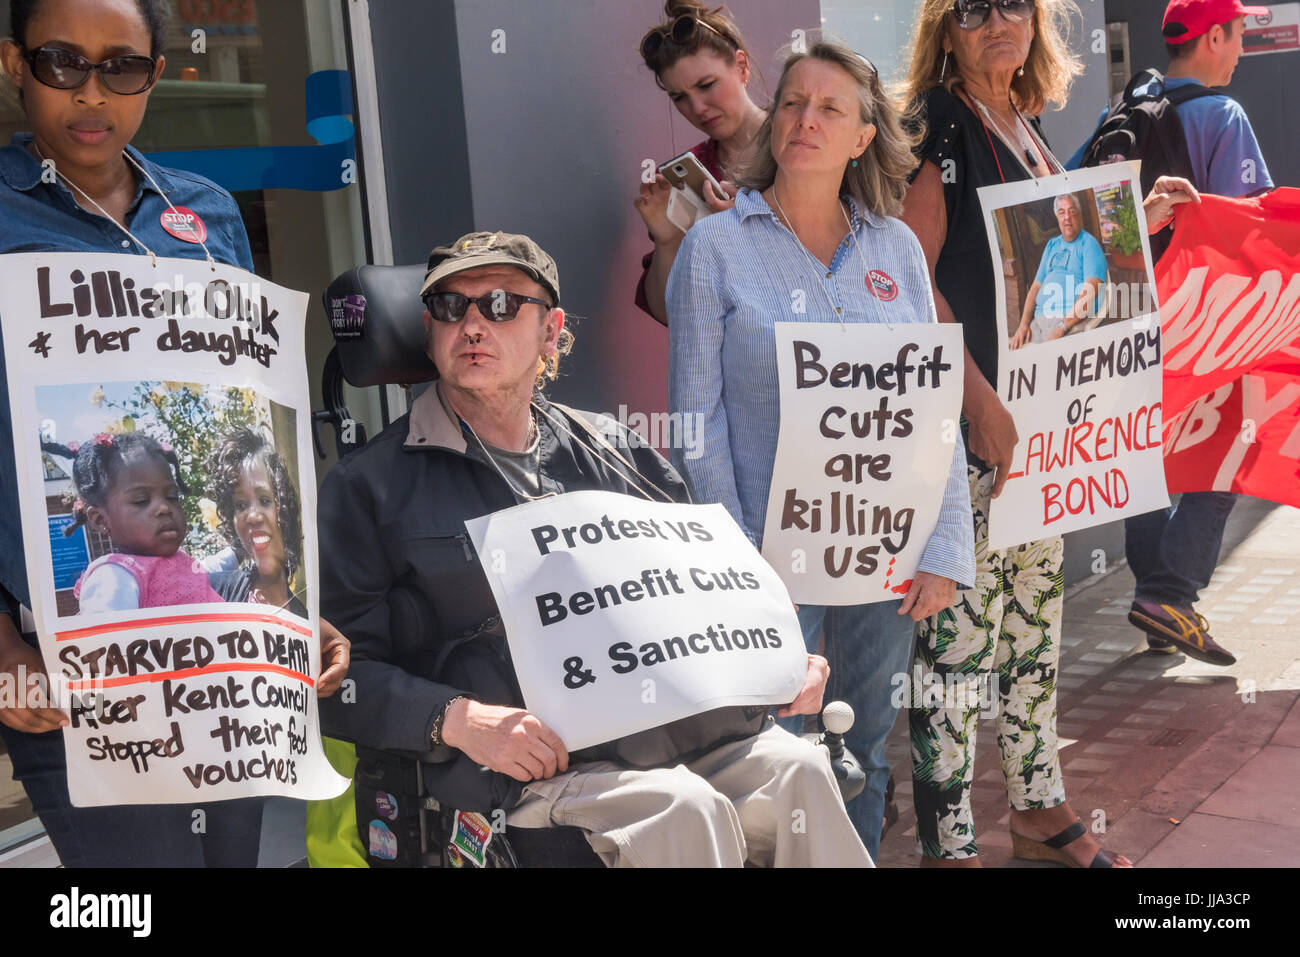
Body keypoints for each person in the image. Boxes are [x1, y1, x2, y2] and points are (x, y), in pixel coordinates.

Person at [316, 230, 870, 867]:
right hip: (523, 770)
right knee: (681, 807)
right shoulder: (369, 487)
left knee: (797, 769)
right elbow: (339, 677)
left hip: (669, 734)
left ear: (550, 332)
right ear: (429, 328)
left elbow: (707, 593)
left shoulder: (616, 450)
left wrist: (776, 657)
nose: (472, 323)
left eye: (499, 305)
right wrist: (459, 719)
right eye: (450, 307)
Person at [0, 0, 346, 866]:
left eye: (121, 66)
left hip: (224, 664)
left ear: (156, 74)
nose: (92, 91)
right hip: (65, 674)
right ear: (14, 65)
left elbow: (246, 411)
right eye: (60, 62)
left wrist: (297, 605)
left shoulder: (206, 215)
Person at [667, 37, 976, 861]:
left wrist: (945, 545)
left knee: (865, 745)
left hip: (886, 556)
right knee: (767, 753)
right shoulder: (715, 249)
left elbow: (930, 409)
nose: (805, 119)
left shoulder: (897, 252)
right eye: (794, 102)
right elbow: (696, 422)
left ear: (863, 135)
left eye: (830, 108)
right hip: (763, 561)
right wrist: (734, 564)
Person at [898, 0, 1138, 868]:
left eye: (1012, 4)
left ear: (1036, 21)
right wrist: (980, 403)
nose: (995, 20)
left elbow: (1053, 265)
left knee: (1034, 633)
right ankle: (949, 843)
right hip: (969, 440)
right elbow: (908, 277)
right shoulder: (938, 122)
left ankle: (1039, 807)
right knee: (958, 650)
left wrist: (1144, 228)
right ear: (945, 29)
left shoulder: (1024, 122)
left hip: (1042, 438)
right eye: (970, 8)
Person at [1072, 0, 1274, 667]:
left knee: (1145, 454)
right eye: (1239, 34)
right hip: (1198, 318)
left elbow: (1073, 198)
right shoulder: (1223, 117)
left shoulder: (1119, 115)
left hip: (1125, 317)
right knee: (1228, 443)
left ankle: (1157, 597)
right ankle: (1171, 590)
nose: (1242, 50)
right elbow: (1249, 226)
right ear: (1213, 36)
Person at [633, 0, 766, 324]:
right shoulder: (693, 171)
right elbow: (670, 314)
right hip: (729, 365)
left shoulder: (803, 143)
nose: (697, 107)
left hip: (817, 357)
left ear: (741, 67)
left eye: (706, 85)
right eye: (679, 97)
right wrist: (667, 240)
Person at [52, 433, 226, 612]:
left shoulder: (179, 561)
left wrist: (238, 551)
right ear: (100, 519)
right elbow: (109, 638)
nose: (164, 508)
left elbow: (207, 569)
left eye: (172, 496)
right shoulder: (114, 577)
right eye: (141, 500)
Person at [208, 427, 308, 618]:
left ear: (283, 508)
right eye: (241, 505)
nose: (253, 516)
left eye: (264, 500)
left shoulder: (305, 619)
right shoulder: (212, 591)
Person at [1008, 192, 1106, 347]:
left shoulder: (1088, 244)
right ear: (1057, 218)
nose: (1067, 217)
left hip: (1069, 321)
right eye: (1062, 212)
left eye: (1072, 211)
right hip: (1039, 321)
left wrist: (1062, 326)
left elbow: (1091, 290)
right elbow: (1035, 287)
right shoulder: (1052, 245)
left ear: (1078, 215)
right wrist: (1023, 324)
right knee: (1015, 354)